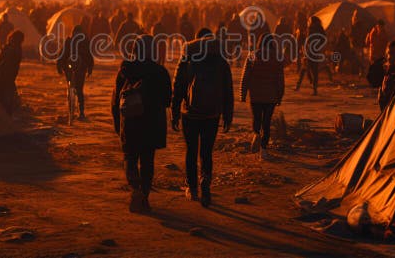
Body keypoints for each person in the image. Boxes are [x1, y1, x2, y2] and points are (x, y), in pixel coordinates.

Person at [171, 28, 234, 207]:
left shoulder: (188, 57)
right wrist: (228, 115)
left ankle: (192, 187)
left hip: (189, 113)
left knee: (191, 151)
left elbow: (178, 86)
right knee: (206, 153)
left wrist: (174, 112)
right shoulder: (221, 61)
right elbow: (227, 91)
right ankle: (205, 185)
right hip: (212, 114)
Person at [111, 35, 172, 213]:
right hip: (151, 124)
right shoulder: (160, 72)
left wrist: (117, 122)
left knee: (129, 158)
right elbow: (167, 100)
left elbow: (115, 100)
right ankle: (144, 195)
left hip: (129, 123)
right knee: (147, 161)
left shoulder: (125, 70)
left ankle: (135, 189)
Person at [240, 33, 284, 160]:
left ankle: (256, 134)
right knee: (267, 122)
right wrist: (280, 96)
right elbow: (280, 80)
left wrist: (242, 94)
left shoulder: (253, 55)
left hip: (255, 94)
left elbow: (245, 76)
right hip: (271, 96)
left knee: (257, 118)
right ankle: (263, 150)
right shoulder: (277, 57)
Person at [57, 25, 94, 119]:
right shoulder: (78, 41)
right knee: (76, 89)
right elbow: (63, 54)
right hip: (73, 68)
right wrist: (89, 68)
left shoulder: (78, 41)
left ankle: (79, 111)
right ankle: (78, 111)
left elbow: (62, 54)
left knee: (75, 89)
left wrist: (59, 65)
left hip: (78, 68)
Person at [0, 30, 24, 115]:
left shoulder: (13, 49)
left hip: (6, 73)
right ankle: (7, 109)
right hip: (10, 73)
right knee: (7, 91)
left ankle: (4, 110)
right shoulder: (15, 48)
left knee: (2, 92)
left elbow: (5, 61)